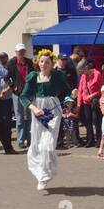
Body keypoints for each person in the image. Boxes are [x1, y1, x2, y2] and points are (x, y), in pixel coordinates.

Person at [20, 50, 74, 191]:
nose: (44, 64)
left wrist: (69, 101)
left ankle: (46, 174)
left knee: (48, 146)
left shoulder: (58, 76)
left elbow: (67, 93)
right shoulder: (32, 77)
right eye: (42, 61)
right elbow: (23, 97)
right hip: (38, 111)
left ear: (52, 64)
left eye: (47, 62)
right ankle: (40, 174)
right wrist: (34, 108)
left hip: (54, 111)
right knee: (37, 145)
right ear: (38, 62)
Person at [8, 44, 34, 148]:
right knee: (19, 118)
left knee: (29, 117)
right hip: (17, 93)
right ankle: (20, 140)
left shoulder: (29, 62)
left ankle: (29, 139)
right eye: (19, 51)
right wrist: (12, 86)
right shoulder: (12, 63)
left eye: (23, 51)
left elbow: (33, 75)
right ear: (16, 52)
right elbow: (6, 77)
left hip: (28, 93)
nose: (21, 53)